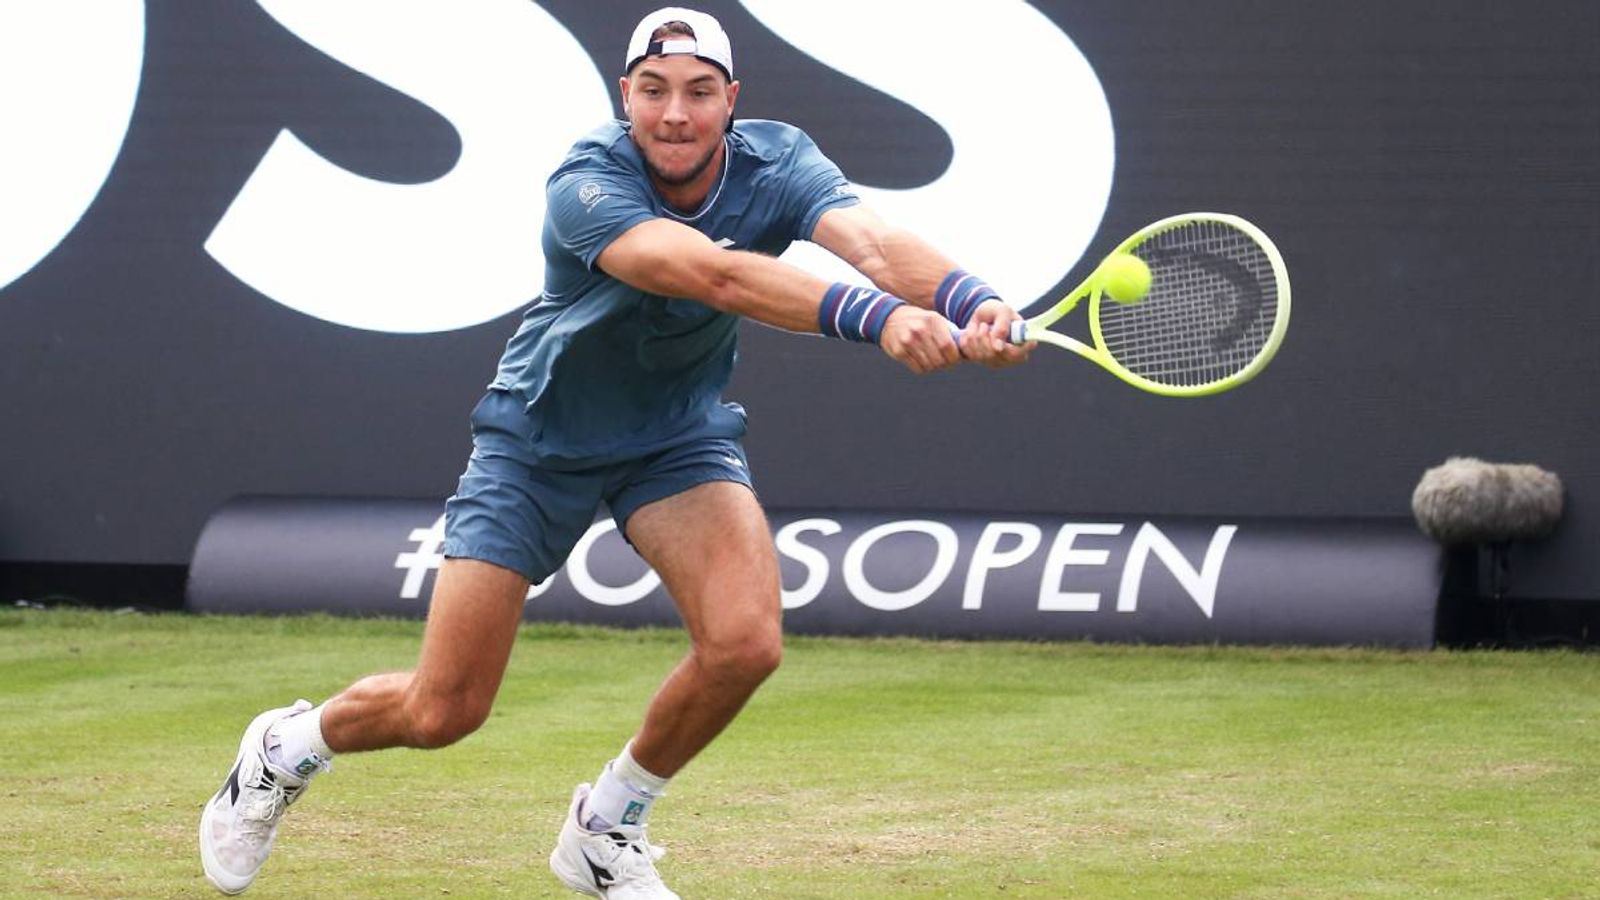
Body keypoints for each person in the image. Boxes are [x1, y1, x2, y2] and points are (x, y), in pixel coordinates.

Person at [198, 7, 1030, 898]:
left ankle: (606, 827)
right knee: (442, 711)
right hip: (538, 440)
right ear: (625, 94)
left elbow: (869, 241)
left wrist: (971, 298)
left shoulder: (780, 160)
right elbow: (712, 272)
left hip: (675, 436)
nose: (676, 113)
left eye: (699, 93)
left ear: (730, 101)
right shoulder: (586, 182)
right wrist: (883, 318)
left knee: (745, 643)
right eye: (655, 90)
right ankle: (283, 750)